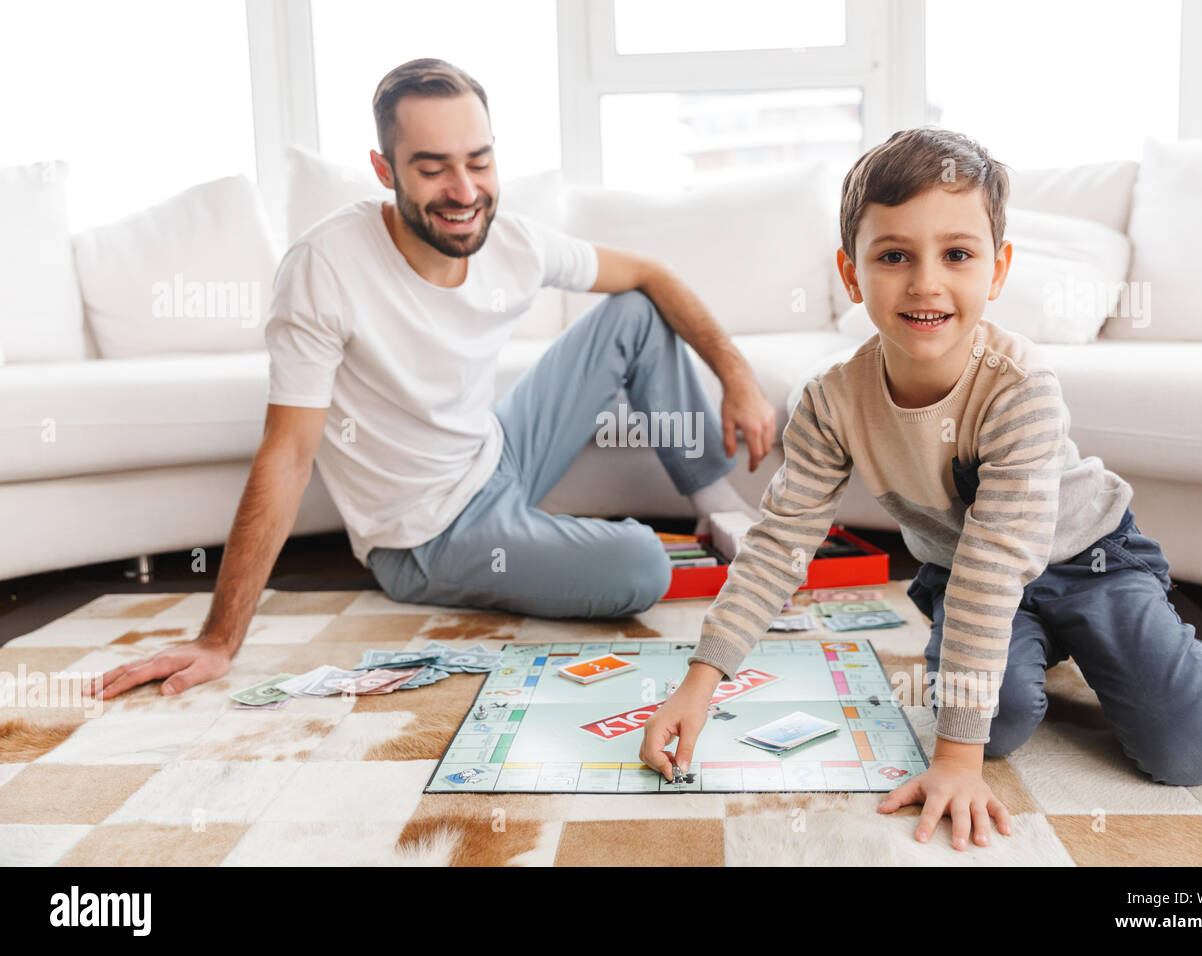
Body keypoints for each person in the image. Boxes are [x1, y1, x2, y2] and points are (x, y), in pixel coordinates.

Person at [639, 126, 1202, 850]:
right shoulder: (831, 401)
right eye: (893, 256)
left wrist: (953, 764)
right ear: (850, 273)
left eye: (957, 255)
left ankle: (1112, 633)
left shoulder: (1020, 386)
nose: (925, 283)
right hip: (967, 576)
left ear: (997, 271)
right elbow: (779, 544)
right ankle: (1033, 646)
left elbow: (1001, 560)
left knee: (1195, 751)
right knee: (996, 723)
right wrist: (700, 681)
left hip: (1090, 560)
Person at [88, 58, 774, 701]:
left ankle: (715, 504)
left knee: (632, 311)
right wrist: (217, 640)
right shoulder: (324, 267)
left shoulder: (513, 243)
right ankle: (534, 547)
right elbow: (288, 453)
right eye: (433, 168)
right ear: (384, 169)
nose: (465, 191)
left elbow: (652, 274)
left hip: (496, 453)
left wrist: (735, 376)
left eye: (479, 161)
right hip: (428, 539)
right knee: (642, 567)